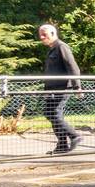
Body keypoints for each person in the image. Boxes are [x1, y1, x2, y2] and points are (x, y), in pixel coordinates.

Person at [38, 24, 82, 153]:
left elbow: (72, 67)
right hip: (52, 88)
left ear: (53, 33)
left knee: (54, 113)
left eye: (44, 34)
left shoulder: (62, 47)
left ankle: (75, 136)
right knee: (50, 113)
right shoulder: (52, 49)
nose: (41, 37)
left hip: (63, 87)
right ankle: (62, 144)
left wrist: (77, 86)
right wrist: (46, 90)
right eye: (40, 34)